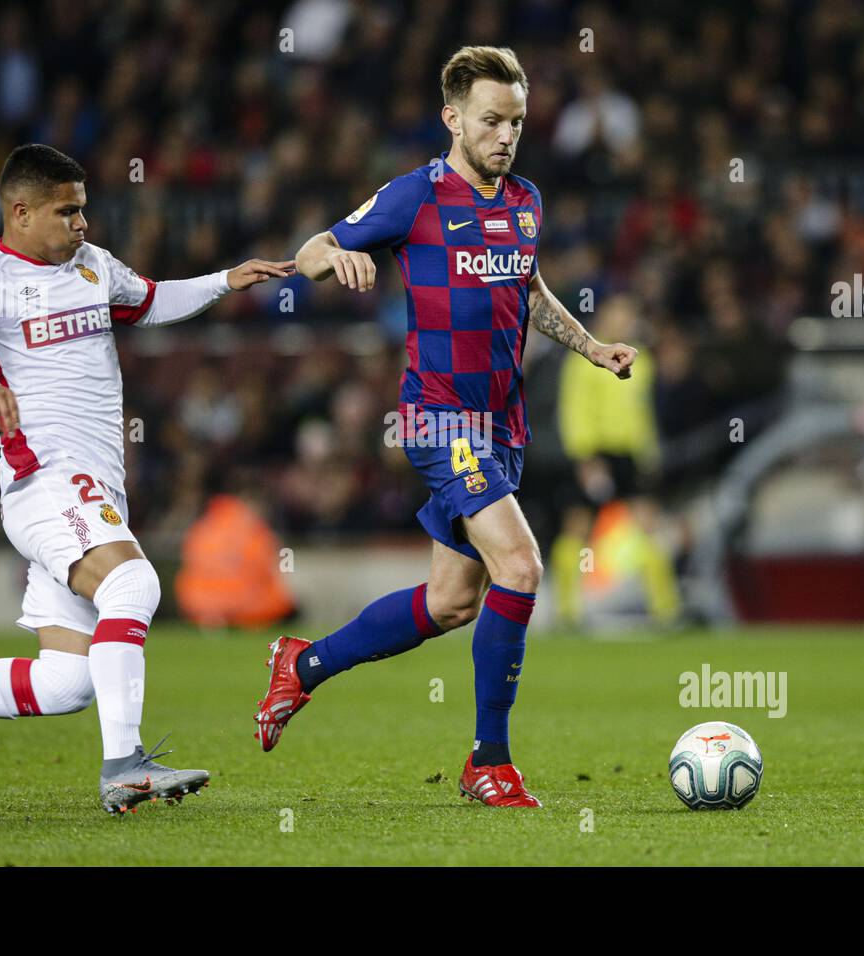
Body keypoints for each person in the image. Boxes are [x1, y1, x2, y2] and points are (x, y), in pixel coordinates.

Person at [0, 143, 295, 815]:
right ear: (20, 211)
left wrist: (227, 280)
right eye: (67, 211)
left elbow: (151, 300)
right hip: (46, 482)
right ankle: (123, 765)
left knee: (65, 684)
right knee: (134, 582)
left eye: (83, 210)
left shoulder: (91, 267)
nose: (82, 224)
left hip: (93, 490)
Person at [254, 47, 637, 807]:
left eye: (517, 122)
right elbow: (311, 249)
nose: (505, 136)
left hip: (504, 426)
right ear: (452, 118)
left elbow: (526, 290)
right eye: (491, 120)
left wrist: (591, 347)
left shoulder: (525, 200)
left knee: (451, 602)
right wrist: (338, 259)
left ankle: (303, 666)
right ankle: (487, 762)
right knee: (521, 569)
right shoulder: (414, 198)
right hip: (439, 421)